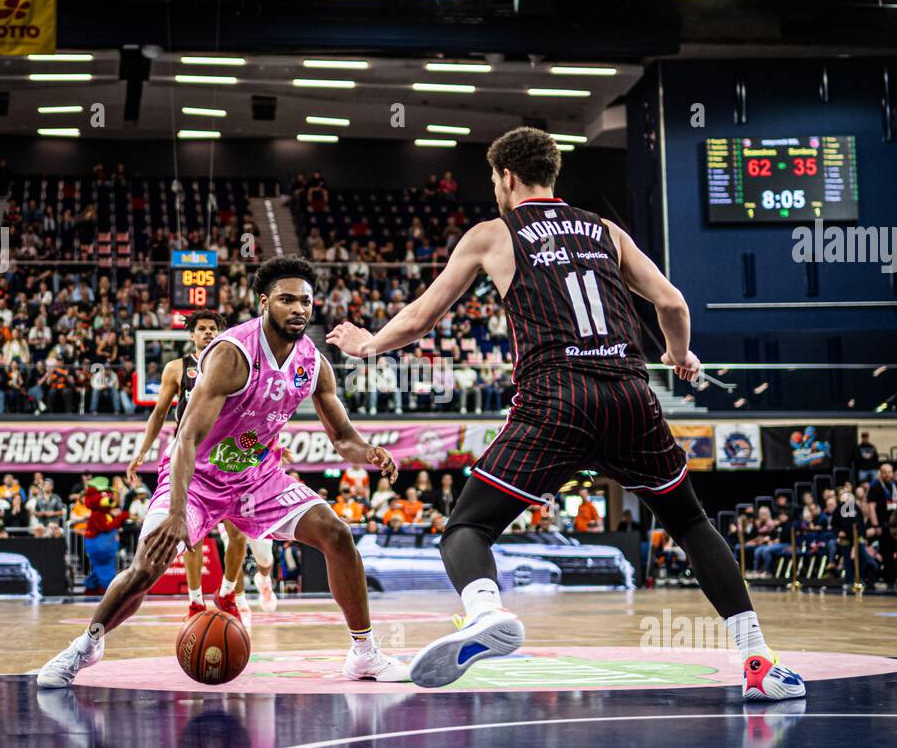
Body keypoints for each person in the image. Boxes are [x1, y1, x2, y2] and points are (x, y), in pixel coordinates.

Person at [327, 126, 804, 700]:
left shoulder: (492, 234)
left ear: (506, 177)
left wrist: (368, 343)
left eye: (495, 182)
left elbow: (423, 318)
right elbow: (672, 302)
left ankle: (485, 613)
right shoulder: (605, 230)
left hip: (557, 397)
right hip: (631, 395)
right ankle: (758, 660)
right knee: (692, 525)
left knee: (468, 527)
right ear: (552, 174)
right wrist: (679, 356)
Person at [39, 257, 408, 687]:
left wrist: (369, 452)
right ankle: (86, 644)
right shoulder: (234, 354)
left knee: (337, 534)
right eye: (287, 300)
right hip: (197, 480)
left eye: (305, 301)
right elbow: (185, 440)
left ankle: (364, 653)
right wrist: (177, 512)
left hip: (257, 479)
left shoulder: (313, 361)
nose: (298, 309)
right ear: (264, 301)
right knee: (147, 566)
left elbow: (342, 436)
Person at [124, 309, 275, 627]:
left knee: (238, 533)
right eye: (202, 329)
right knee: (190, 533)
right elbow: (160, 412)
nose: (207, 333)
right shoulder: (177, 368)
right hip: (191, 457)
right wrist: (143, 450)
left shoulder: (236, 363)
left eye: (213, 328)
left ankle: (229, 593)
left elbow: (256, 413)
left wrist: (270, 448)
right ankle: (195, 601)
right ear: (191, 334)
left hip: (227, 455)